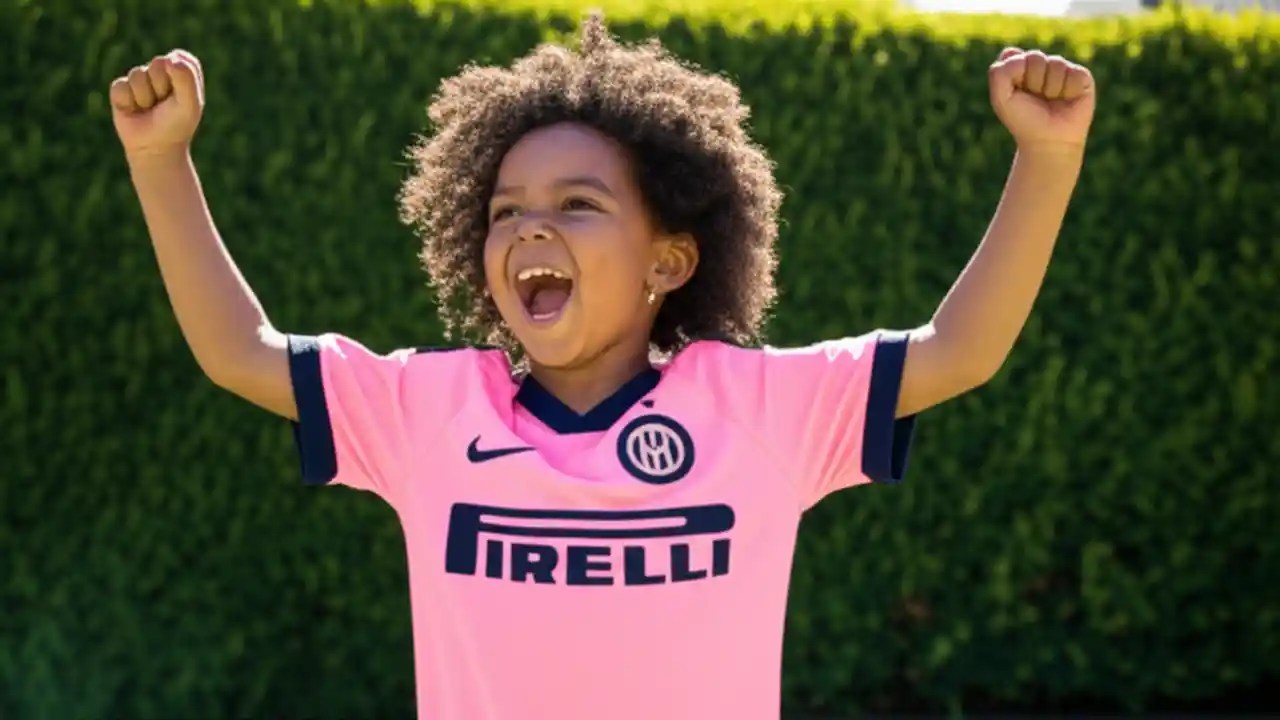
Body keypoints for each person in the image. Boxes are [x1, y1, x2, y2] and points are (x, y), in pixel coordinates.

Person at [109, 13, 1095, 720]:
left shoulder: (758, 409)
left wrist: (1044, 161)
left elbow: (956, 352)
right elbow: (240, 353)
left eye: (577, 204)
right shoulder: (427, 410)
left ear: (667, 259)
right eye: (504, 211)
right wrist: (161, 162)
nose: (531, 224)